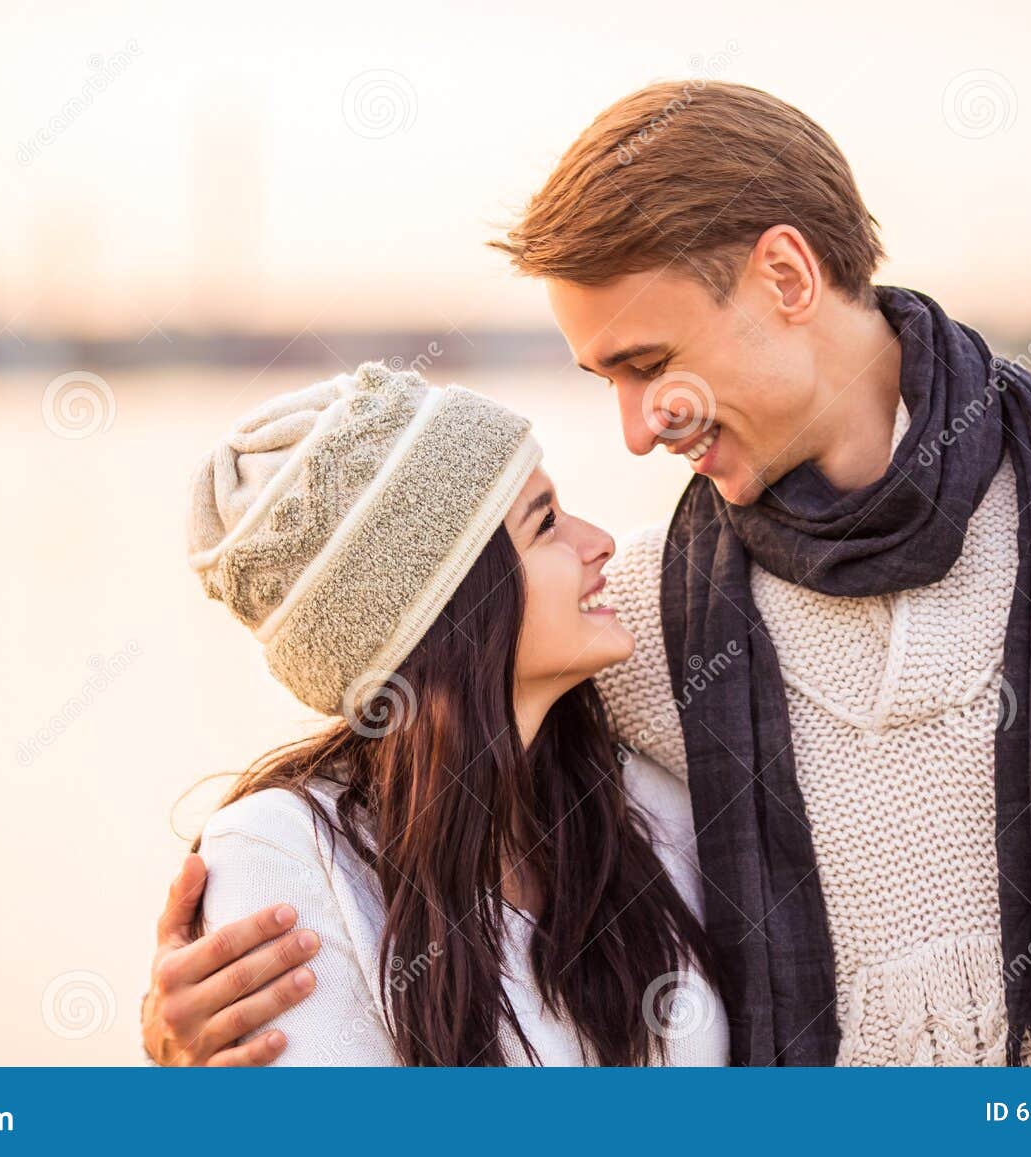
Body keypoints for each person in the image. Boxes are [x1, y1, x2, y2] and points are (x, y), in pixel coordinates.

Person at [144, 81, 1031, 1066]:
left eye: (647, 361)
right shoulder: (648, 619)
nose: (631, 430)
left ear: (785, 275)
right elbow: (422, 767)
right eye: (599, 376)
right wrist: (191, 1051)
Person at [163, 360, 725, 1066]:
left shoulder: (646, 804)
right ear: (452, 608)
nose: (599, 541)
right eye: (546, 522)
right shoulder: (279, 851)